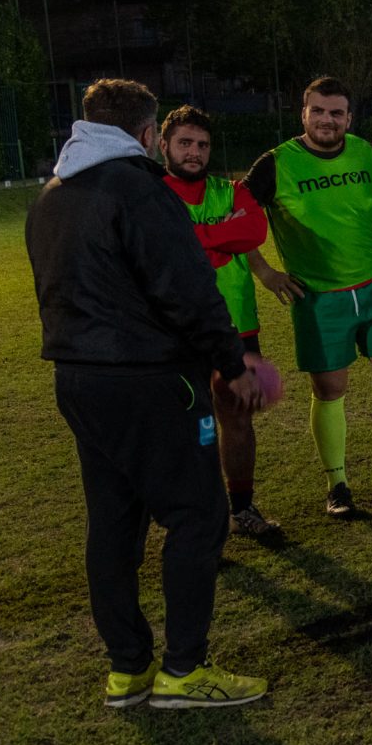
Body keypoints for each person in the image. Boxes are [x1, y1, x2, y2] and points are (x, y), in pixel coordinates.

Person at [26, 78, 268, 709]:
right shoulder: (140, 188)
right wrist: (229, 360)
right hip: (149, 379)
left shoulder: (51, 196)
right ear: (143, 133)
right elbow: (185, 286)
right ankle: (184, 671)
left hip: (77, 379)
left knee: (113, 520)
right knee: (198, 514)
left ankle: (127, 669)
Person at [246, 77, 372, 518]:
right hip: (319, 299)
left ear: (349, 117)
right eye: (318, 111)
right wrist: (267, 272)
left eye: (336, 113)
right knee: (331, 390)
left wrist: (368, 243)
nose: (327, 120)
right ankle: (338, 486)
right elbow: (237, 220)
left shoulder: (367, 151)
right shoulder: (275, 164)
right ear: (303, 113)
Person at [157, 106, 280, 540]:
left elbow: (254, 232)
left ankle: (242, 510)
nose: (194, 152)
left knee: (237, 417)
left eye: (202, 145)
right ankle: (192, 523)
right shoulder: (152, 193)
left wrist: (192, 238)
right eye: (185, 143)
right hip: (175, 327)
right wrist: (219, 237)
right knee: (186, 425)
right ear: (163, 145)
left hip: (236, 323)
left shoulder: (230, 191)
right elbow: (157, 248)